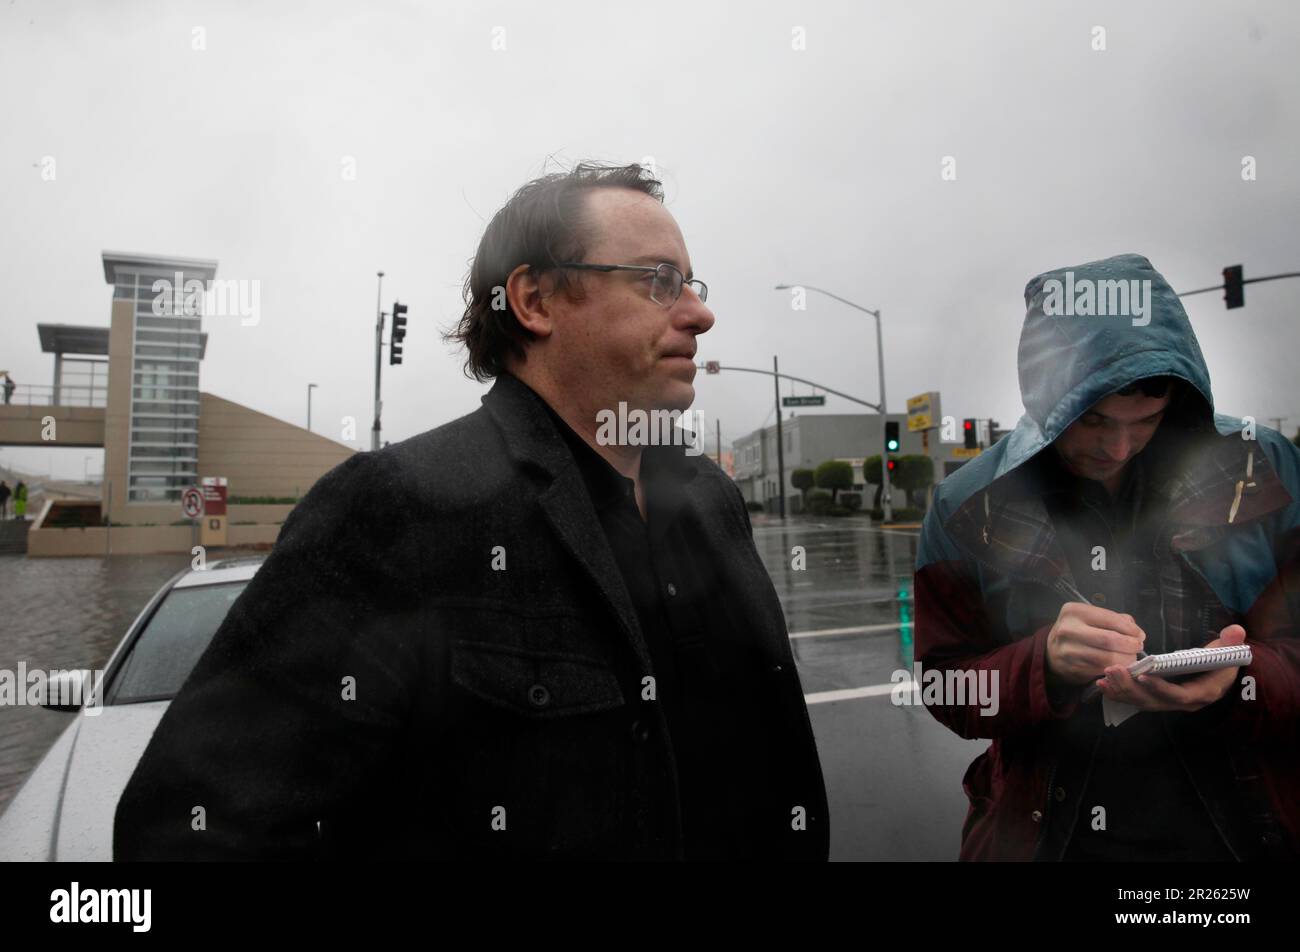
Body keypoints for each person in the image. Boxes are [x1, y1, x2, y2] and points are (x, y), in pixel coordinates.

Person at [114, 162, 829, 861]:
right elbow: (189, 831)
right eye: (658, 281)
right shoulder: (394, 507)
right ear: (535, 301)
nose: (700, 314)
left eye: (691, 285)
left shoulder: (712, 499)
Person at [915, 253, 1299, 861]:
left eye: (1146, 419)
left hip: (1246, 832)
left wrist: (1243, 679)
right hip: (1052, 839)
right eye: (1091, 421)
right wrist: (1040, 663)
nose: (1117, 446)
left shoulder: (1262, 469)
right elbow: (943, 684)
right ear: (1045, 401)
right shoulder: (965, 505)